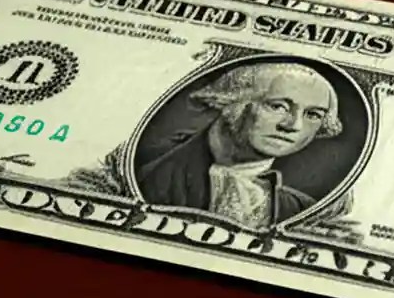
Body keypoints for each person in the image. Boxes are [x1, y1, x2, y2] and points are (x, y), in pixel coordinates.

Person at [134, 62, 342, 228]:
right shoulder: (148, 173)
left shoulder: (301, 209)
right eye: (278, 106)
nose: (293, 125)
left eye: (313, 115)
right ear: (232, 102)